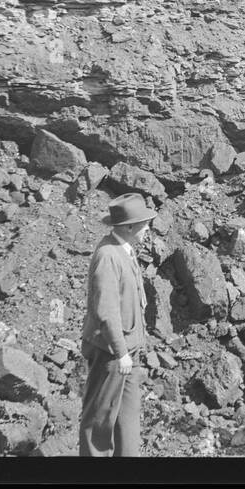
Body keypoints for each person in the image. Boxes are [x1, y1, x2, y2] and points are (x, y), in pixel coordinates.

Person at [79, 193, 155, 457]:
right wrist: (121, 351)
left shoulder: (125, 251)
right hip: (111, 352)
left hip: (128, 350)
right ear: (129, 227)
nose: (148, 228)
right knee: (100, 419)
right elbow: (107, 310)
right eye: (144, 223)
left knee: (128, 417)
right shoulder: (108, 255)